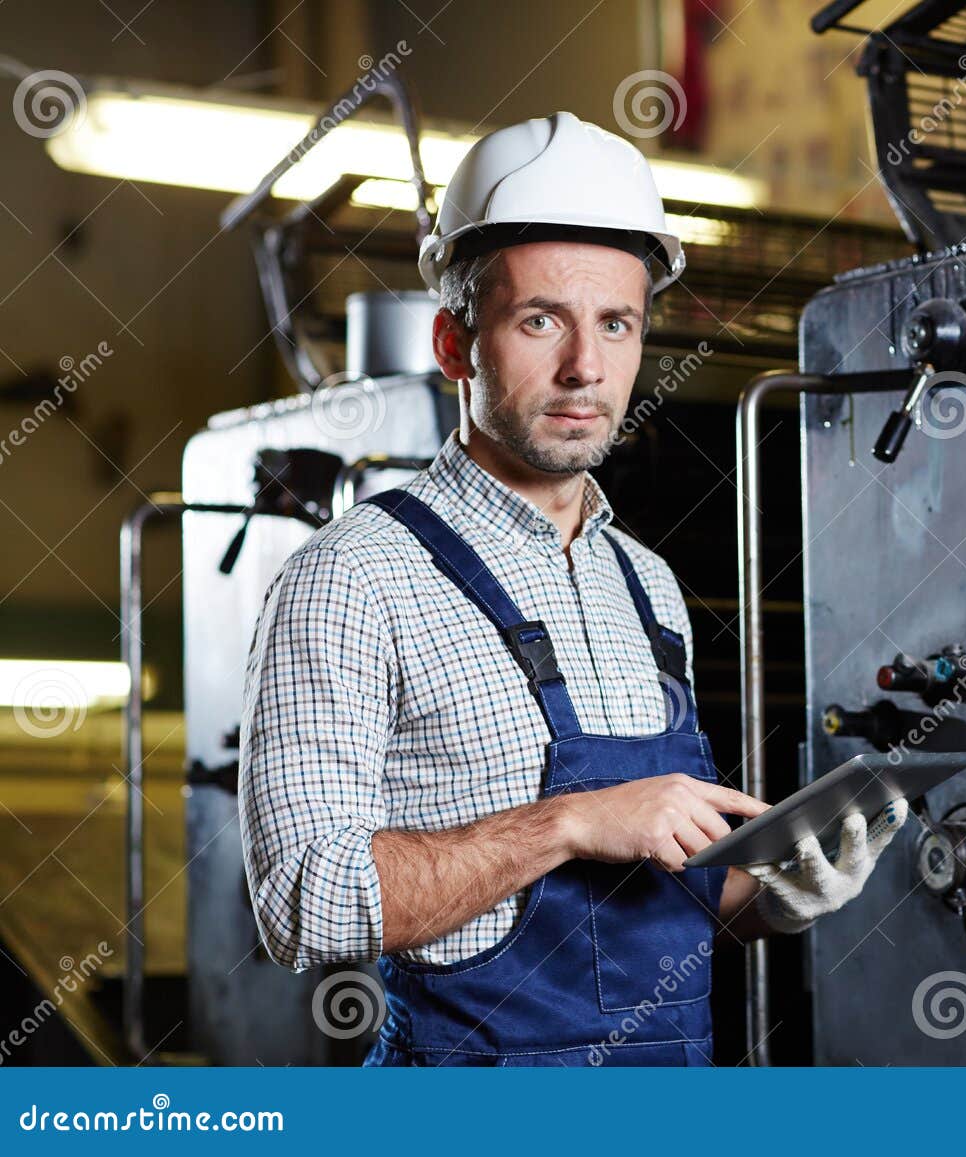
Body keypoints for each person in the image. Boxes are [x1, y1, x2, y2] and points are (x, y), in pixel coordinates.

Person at [238, 112, 905, 1067]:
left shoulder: (648, 584)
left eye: (617, 324)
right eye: (540, 319)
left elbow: (646, 904)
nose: (585, 367)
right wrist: (569, 821)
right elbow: (303, 904)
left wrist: (769, 894)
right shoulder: (352, 578)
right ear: (456, 343)